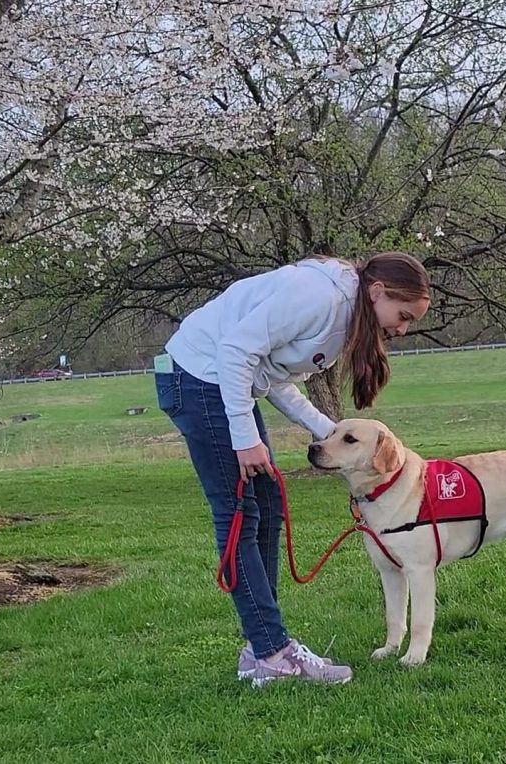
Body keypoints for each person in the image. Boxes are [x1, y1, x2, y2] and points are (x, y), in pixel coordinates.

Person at [154, 251, 430, 686]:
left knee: (266, 507)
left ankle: (261, 647)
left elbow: (273, 378)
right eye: (403, 315)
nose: (401, 328)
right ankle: (271, 653)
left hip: (216, 382)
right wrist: (245, 439)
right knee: (240, 513)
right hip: (198, 380)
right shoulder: (317, 296)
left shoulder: (342, 314)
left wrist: (330, 432)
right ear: (377, 292)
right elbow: (235, 353)